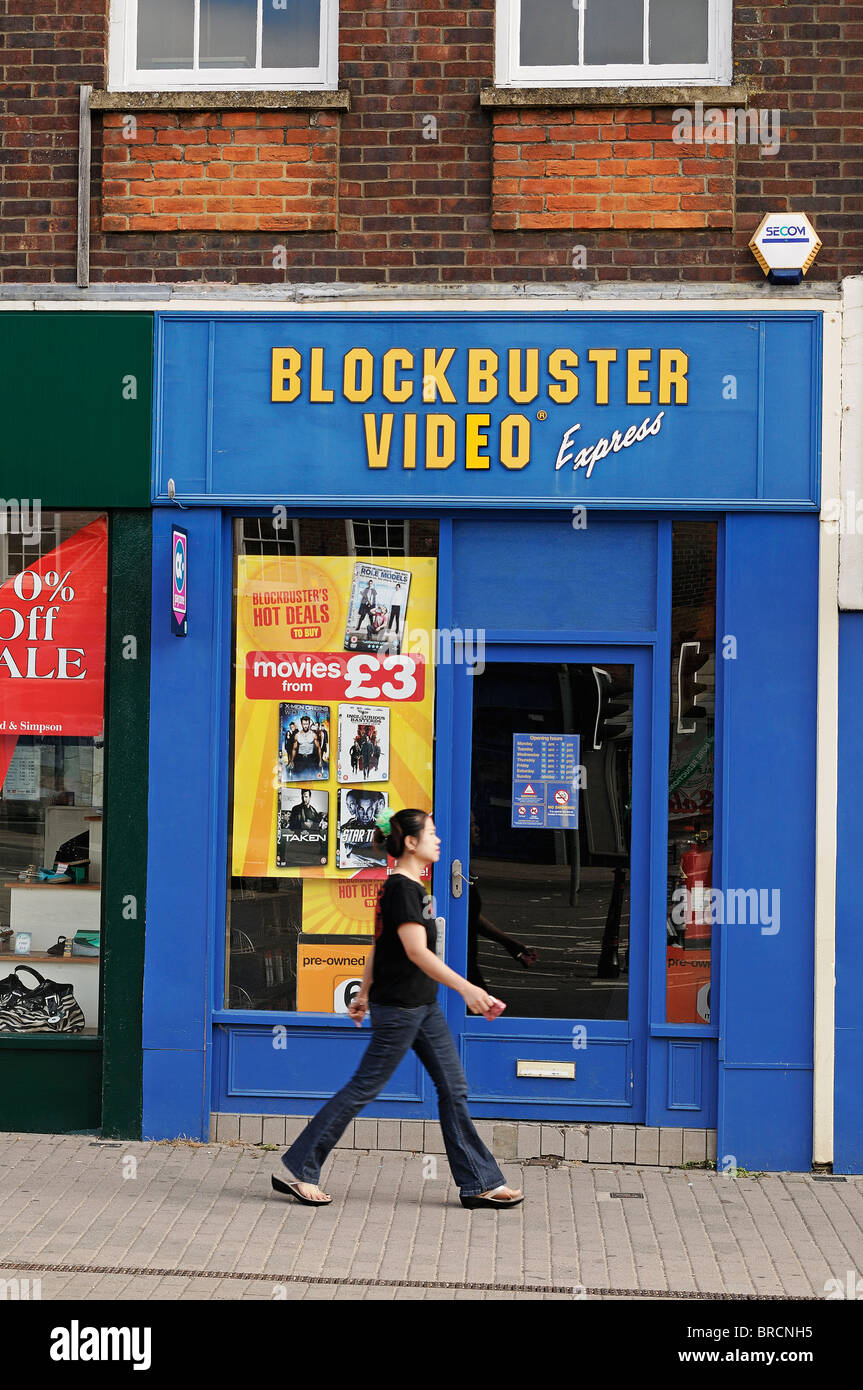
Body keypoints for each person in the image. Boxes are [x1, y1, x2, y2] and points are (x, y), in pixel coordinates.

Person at [272, 808, 524, 1209]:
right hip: (402, 1009)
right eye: (432, 833)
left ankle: (479, 1182)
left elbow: (380, 946)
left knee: (453, 1089)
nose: (438, 840)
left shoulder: (408, 888)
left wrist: (362, 994)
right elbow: (414, 951)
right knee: (363, 1088)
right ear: (410, 842)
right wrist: (467, 989)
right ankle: (299, 1168)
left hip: (421, 1005)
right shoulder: (403, 891)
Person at [466, 811, 539, 990]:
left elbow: (471, 916)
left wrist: (511, 945)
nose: (477, 829)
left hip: (466, 963)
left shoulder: (462, 869)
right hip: (459, 963)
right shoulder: (454, 871)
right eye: (471, 825)